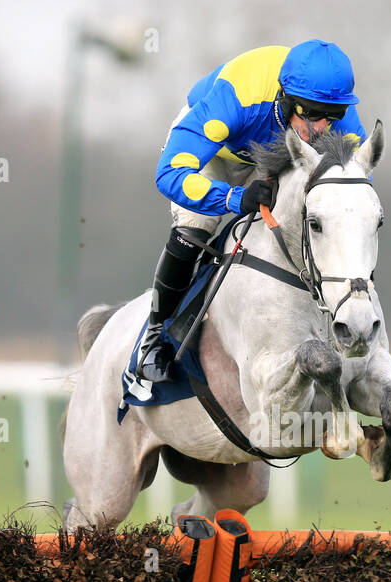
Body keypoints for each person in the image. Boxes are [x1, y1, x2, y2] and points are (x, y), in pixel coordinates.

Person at [135, 40, 367, 384]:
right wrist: (234, 198)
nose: (321, 128)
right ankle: (155, 334)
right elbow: (169, 173)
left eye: (330, 118)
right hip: (215, 154)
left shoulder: (338, 114)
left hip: (275, 154)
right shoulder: (237, 97)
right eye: (311, 115)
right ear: (286, 98)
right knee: (193, 230)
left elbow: (353, 196)